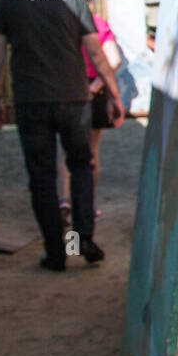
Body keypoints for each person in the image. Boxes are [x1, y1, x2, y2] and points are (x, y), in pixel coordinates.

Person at [0, 0, 124, 271]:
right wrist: (113, 95)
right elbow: (98, 55)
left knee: (42, 175)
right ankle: (84, 236)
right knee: (81, 166)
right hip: (74, 99)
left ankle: (55, 253)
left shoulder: (9, 3)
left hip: (31, 101)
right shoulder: (74, 3)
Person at [57, 13, 123, 223]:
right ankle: (87, 206)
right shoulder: (98, 23)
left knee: (66, 149)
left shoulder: (59, 20)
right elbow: (115, 60)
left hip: (67, 86)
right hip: (95, 88)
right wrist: (96, 86)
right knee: (91, 149)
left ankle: (64, 200)